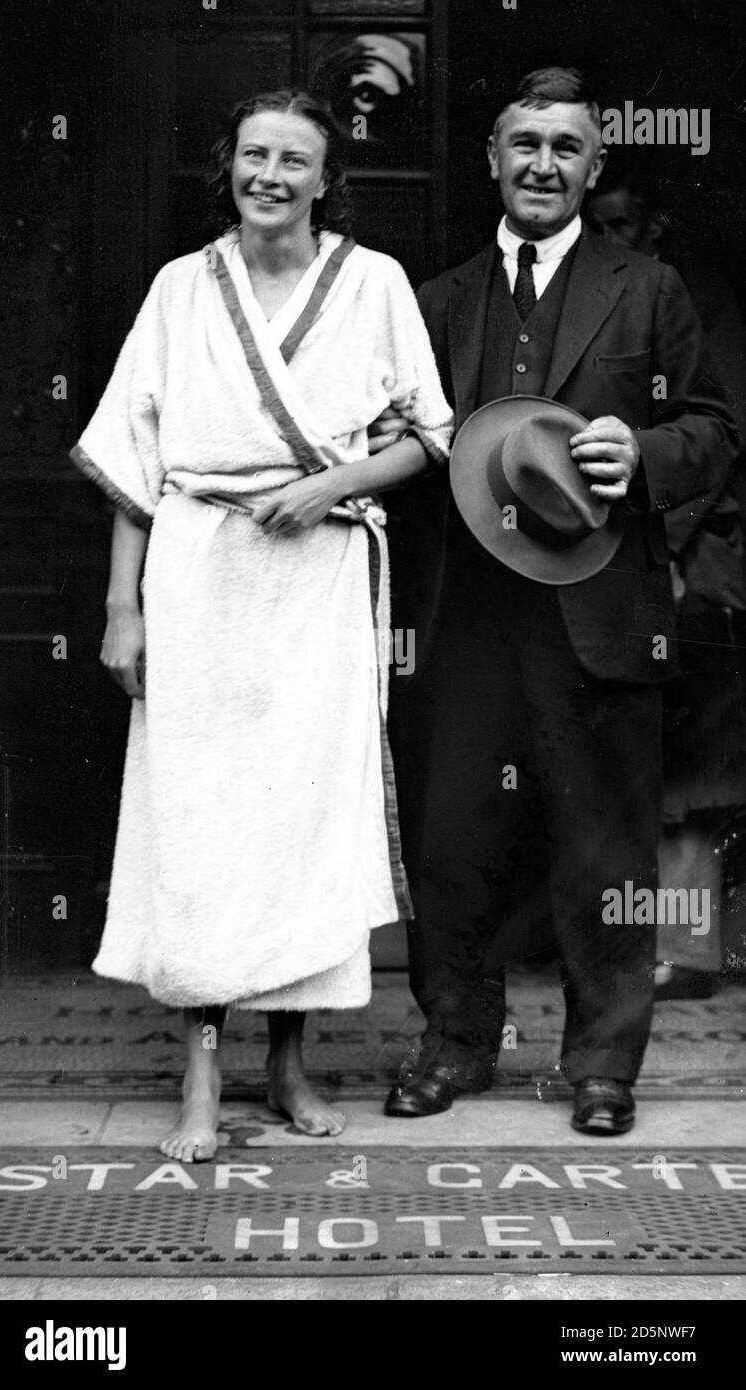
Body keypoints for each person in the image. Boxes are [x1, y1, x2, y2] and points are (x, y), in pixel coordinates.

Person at [70, 89, 452, 1159]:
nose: (270, 176)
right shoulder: (180, 290)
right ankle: (200, 1070)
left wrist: (332, 488)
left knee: (301, 820)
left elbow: (430, 434)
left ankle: (289, 1063)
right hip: (202, 574)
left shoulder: (372, 284)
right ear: (226, 166)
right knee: (203, 819)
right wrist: (120, 608)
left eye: (295, 160)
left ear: (329, 179)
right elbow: (133, 466)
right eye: (253, 155)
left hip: (317, 578)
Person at [381, 66, 737, 1134]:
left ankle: (602, 1066)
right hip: (465, 619)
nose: (544, 165)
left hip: (601, 612)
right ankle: (454, 1043)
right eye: (526, 144)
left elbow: (716, 428)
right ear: (494, 159)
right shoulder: (432, 300)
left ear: (595, 164)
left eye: (566, 148)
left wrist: (646, 448)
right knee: (453, 843)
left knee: (604, 851)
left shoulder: (649, 289)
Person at [587, 169, 746, 1000]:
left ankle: (687, 950)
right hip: (626, 564)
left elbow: (716, 437)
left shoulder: (693, 297)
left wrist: (669, 555)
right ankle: (644, 941)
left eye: (621, 223)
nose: (608, 239)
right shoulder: (604, 297)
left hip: (693, 563)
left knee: (692, 768)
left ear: (655, 226)